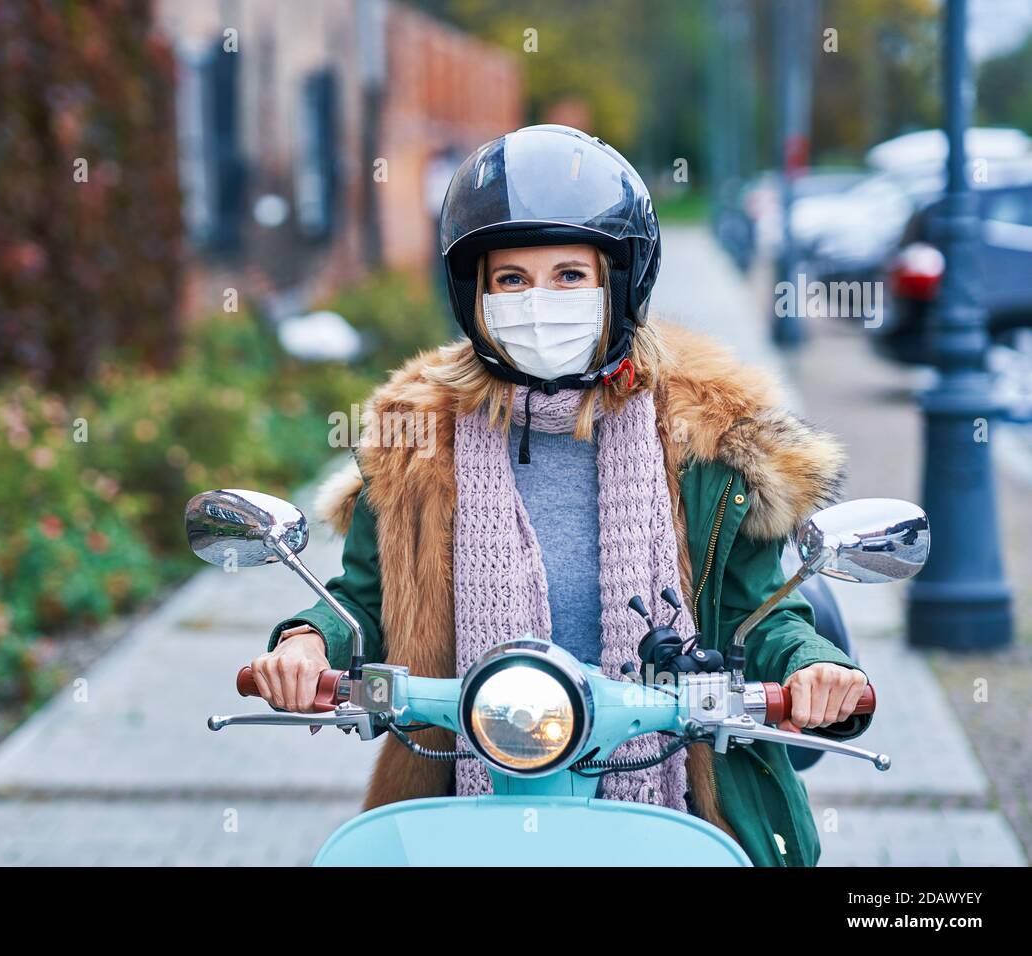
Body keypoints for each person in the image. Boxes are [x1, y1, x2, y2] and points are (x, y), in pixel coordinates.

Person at [250, 125, 870, 867]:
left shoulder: (705, 438)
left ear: (619, 284)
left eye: (570, 276)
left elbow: (759, 614)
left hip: (682, 799)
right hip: (462, 805)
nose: (538, 301)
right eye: (511, 279)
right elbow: (368, 596)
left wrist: (811, 666)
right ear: (474, 295)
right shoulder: (417, 441)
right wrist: (306, 642)